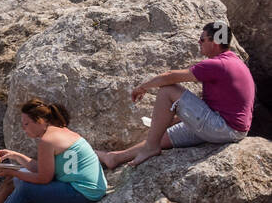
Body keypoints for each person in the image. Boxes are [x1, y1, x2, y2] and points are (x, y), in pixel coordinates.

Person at [96, 22, 253, 169]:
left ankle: (150, 148)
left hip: (224, 128)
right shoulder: (233, 61)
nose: (199, 42)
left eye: (202, 39)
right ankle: (115, 158)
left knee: (168, 90)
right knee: (161, 135)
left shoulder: (217, 64)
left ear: (215, 42)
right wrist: (171, 120)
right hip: (226, 127)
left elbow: (170, 76)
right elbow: (213, 105)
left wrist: (142, 87)